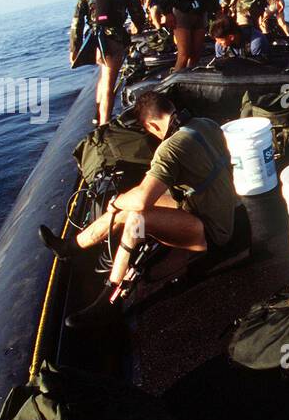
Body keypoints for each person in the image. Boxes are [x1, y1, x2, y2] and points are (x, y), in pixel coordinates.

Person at [39, 92, 249, 329]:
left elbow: (140, 203)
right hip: (222, 209)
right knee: (128, 208)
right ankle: (70, 247)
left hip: (213, 230)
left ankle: (109, 301)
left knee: (135, 218)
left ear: (150, 124)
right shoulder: (206, 124)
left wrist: (117, 200)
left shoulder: (169, 149)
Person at [70, 0, 147, 125]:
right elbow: (138, 14)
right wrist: (138, 28)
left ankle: (97, 115)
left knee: (103, 77)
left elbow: (77, 19)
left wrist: (75, 47)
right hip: (113, 40)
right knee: (108, 82)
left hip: (95, 40)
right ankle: (104, 124)